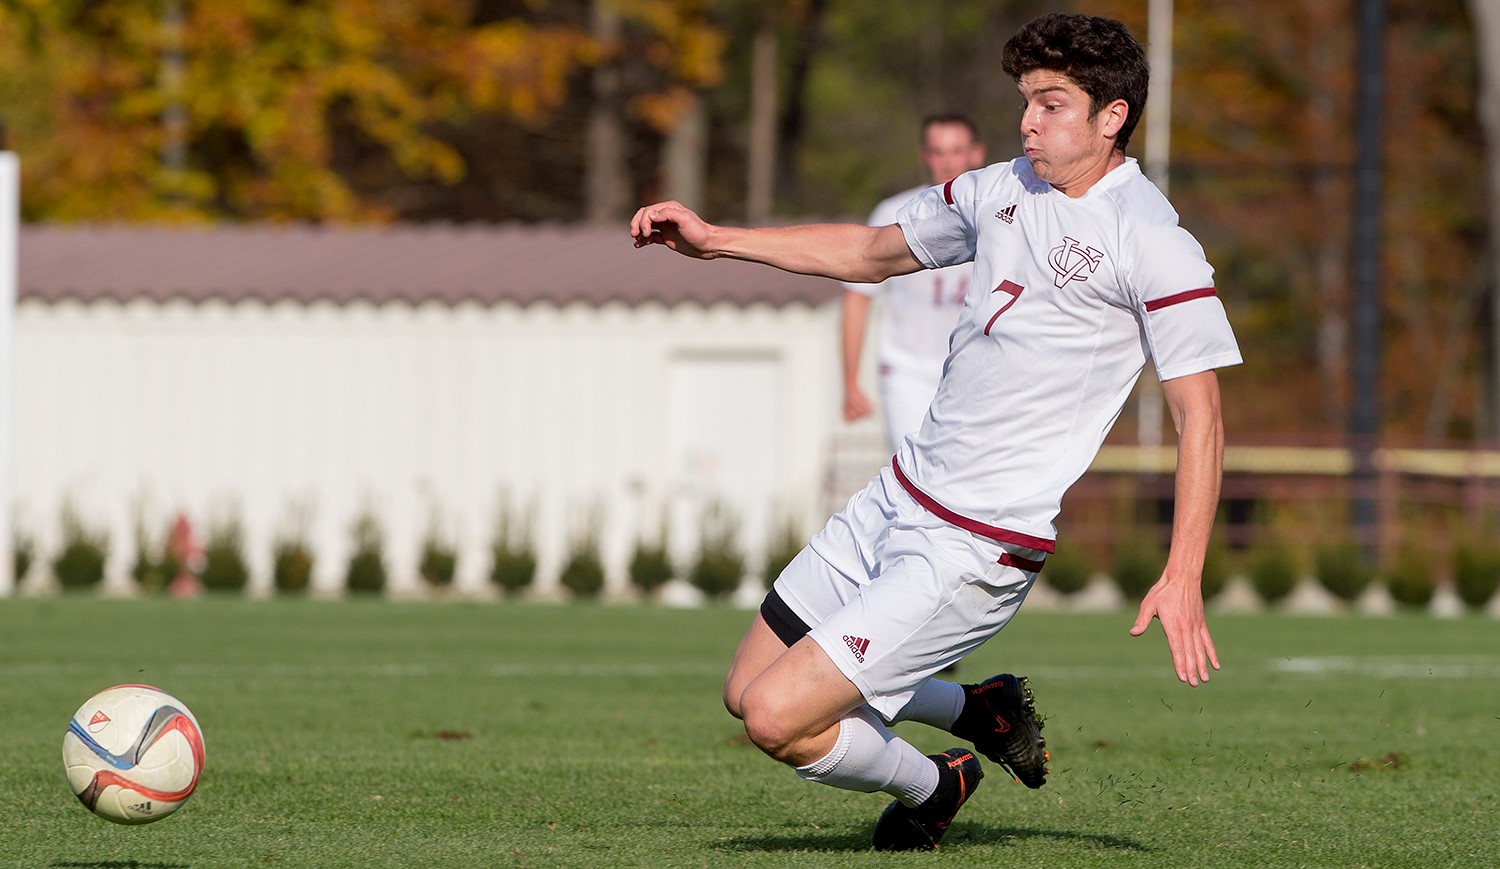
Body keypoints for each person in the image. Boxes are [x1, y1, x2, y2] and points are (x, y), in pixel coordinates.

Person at [631, 12, 1240, 852]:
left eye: (1052, 104)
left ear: (1113, 116)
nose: (1028, 121)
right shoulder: (998, 190)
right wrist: (717, 241)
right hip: (898, 495)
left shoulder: (1154, 241)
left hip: (975, 544)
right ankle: (973, 713)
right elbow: (874, 252)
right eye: (1026, 101)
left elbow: (1199, 416)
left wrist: (1183, 570)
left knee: (776, 718)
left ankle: (933, 783)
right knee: (744, 688)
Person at [842, 114, 986, 453]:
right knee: (911, 473)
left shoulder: (998, 215)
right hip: (908, 371)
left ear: (976, 153)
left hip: (972, 372)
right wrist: (850, 382)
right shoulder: (895, 213)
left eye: (956, 150)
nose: (947, 160)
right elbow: (857, 298)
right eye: (938, 151)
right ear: (925, 156)